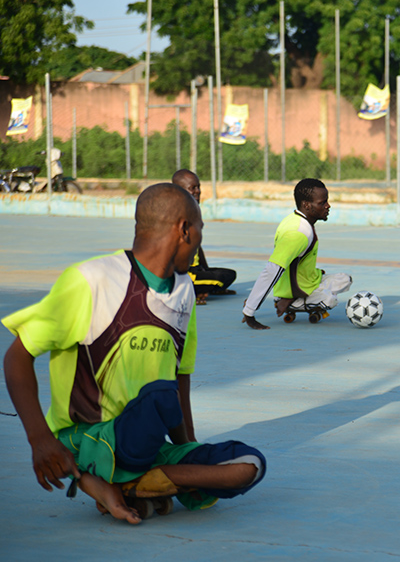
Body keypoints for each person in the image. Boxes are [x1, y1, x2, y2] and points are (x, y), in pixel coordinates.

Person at [2, 183, 266, 524]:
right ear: (184, 229)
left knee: (249, 465)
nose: (201, 238)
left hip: (150, 441)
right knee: (159, 396)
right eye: (201, 228)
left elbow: (180, 375)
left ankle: (135, 484)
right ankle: (101, 471)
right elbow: (17, 356)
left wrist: (189, 448)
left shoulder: (184, 289)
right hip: (92, 437)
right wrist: (40, 439)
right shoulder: (91, 280)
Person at [241, 178, 352, 330]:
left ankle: (298, 298)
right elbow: (272, 270)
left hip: (308, 282)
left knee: (345, 279)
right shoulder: (298, 233)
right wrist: (250, 311)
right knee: (329, 300)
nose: (328, 206)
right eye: (322, 203)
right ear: (307, 205)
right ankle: (293, 301)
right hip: (293, 289)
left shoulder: (295, 219)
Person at [171, 169, 237, 305]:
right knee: (220, 278)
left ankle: (202, 289)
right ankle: (186, 292)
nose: (198, 191)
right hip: (183, 273)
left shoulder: (193, 210)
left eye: (198, 187)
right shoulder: (178, 214)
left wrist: (205, 269)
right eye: (192, 188)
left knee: (229, 274)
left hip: (194, 270)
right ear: (179, 191)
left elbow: (197, 245)